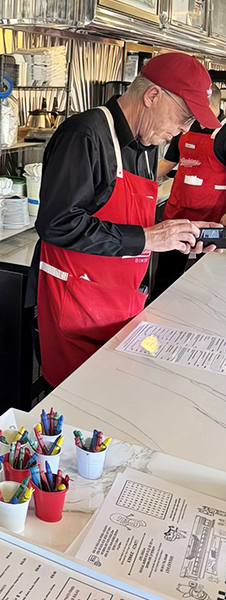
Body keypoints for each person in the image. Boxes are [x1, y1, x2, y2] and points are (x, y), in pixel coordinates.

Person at [31, 52, 221, 389]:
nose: (183, 130)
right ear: (152, 96)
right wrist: (149, 238)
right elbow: (57, 224)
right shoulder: (85, 135)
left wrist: (181, 239)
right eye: (184, 117)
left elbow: (134, 230)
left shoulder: (145, 145)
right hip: (75, 310)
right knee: (76, 409)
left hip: (121, 305)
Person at [152, 85, 226, 297]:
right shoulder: (186, 126)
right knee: (166, 275)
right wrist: (137, 179)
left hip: (211, 218)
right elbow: (168, 161)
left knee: (206, 279)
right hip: (177, 213)